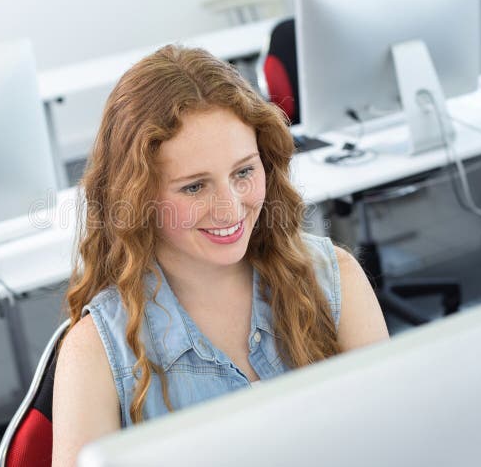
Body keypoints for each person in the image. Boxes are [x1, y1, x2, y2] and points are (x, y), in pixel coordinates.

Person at [51, 45, 389, 466]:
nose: (230, 208)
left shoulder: (335, 280)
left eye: (244, 172)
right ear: (137, 198)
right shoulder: (94, 354)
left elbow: (396, 444)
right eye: (195, 187)